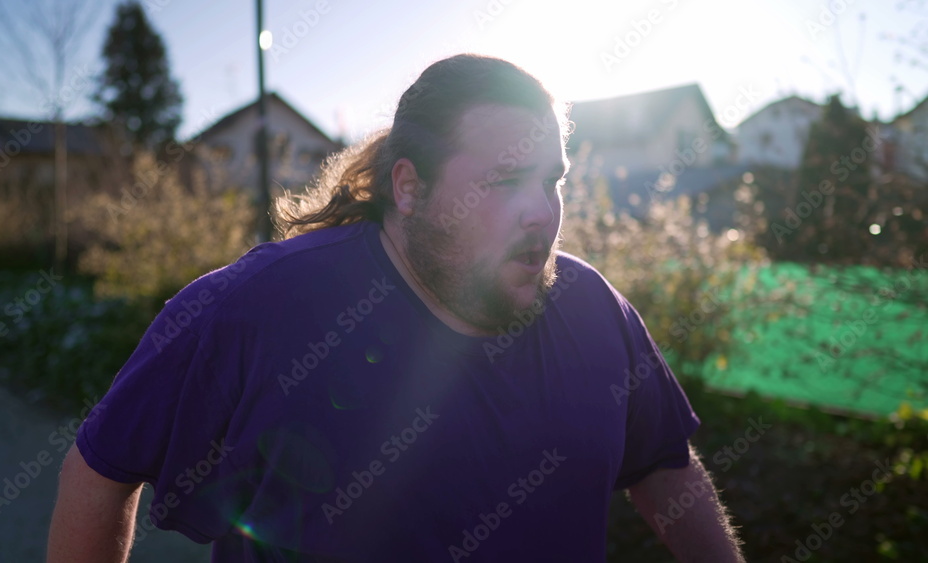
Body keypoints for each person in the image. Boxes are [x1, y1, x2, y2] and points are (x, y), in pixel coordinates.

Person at [47, 53, 745, 562]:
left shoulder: (595, 309)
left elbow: (665, 465)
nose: (542, 211)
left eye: (551, 180)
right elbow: (101, 468)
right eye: (505, 180)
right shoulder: (262, 305)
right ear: (408, 187)